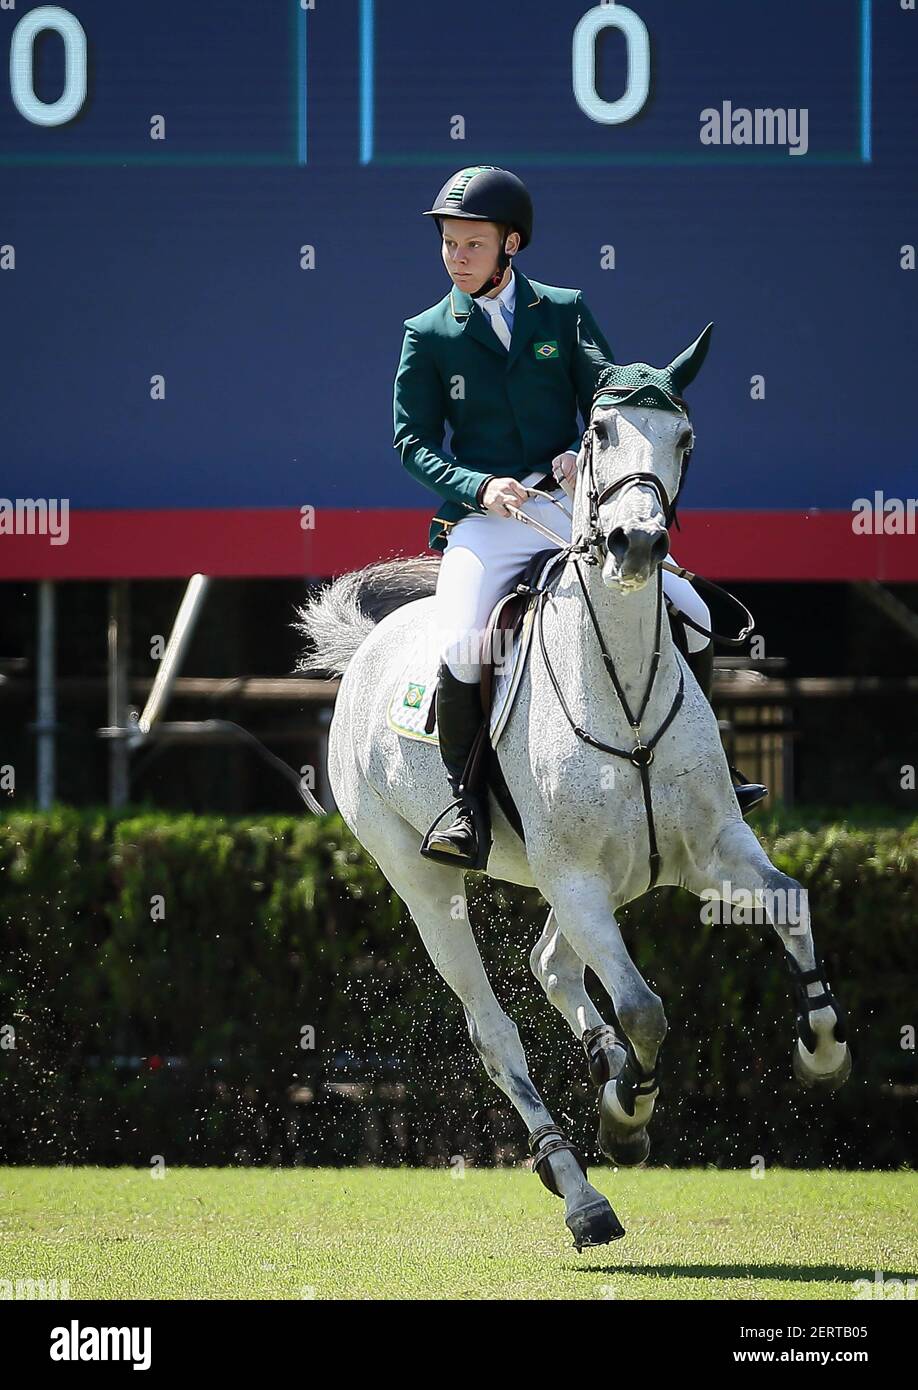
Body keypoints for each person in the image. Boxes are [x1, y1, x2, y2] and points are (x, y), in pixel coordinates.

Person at [393, 165, 765, 868]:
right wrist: (481, 486)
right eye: (448, 243)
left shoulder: (563, 312)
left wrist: (574, 452)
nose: (456, 257)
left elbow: (611, 397)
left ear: (512, 244)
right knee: (464, 642)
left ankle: (709, 766)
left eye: (473, 243)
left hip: (572, 507)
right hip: (487, 518)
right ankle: (463, 805)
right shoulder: (429, 333)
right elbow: (410, 442)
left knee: (690, 610)